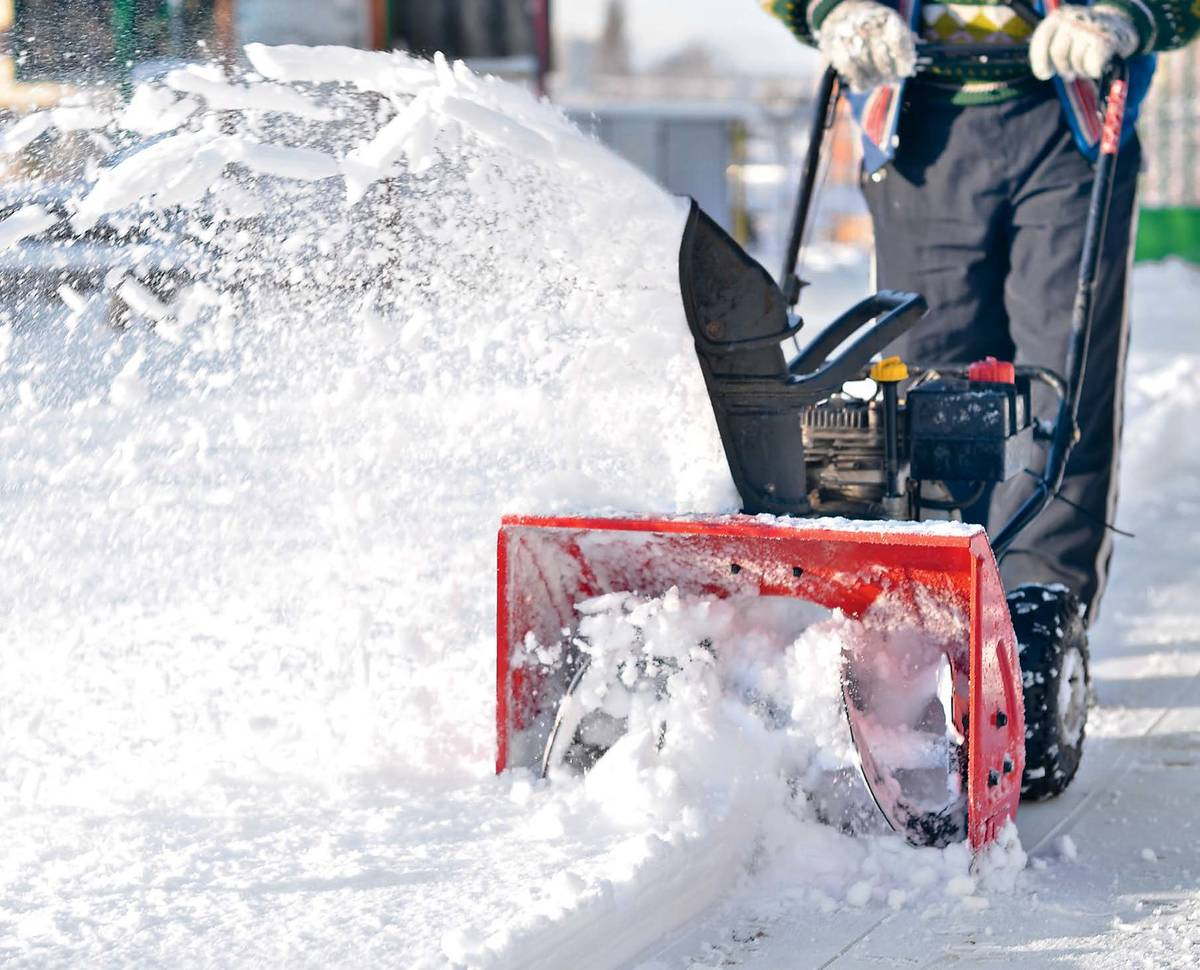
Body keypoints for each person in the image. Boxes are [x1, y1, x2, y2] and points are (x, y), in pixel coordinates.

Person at [767, 0, 1199, 624]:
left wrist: (1122, 14)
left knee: (1062, 389)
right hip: (917, 126)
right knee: (925, 397)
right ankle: (936, 619)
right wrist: (834, 10)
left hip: (1068, 118)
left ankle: (1038, 622)